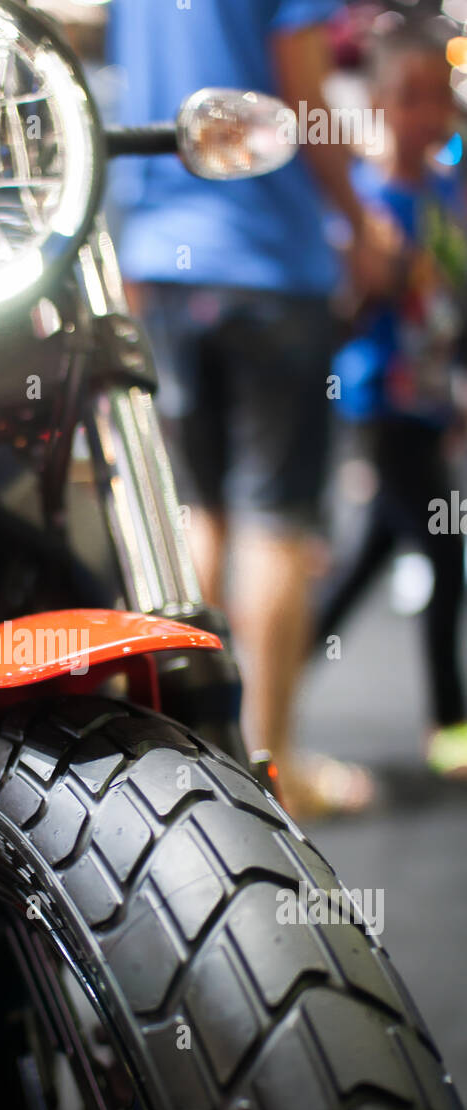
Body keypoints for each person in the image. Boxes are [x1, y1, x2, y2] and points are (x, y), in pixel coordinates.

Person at [107, 0, 398, 819]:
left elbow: (135, 102)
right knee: (275, 521)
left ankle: (181, 766)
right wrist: (360, 221)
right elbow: (300, 98)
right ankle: (272, 773)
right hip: (267, 262)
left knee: (200, 516)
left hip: (164, 260)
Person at [316, 21, 467, 778]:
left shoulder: (448, 192)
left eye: (439, 98)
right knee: (445, 550)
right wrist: (368, 271)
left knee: (368, 557)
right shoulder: (362, 204)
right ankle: (449, 723)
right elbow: (336, 315)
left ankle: (257, 689)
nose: (428, 116)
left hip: (430, 399)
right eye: (410, 99)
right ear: (377, 104)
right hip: (378, 404)